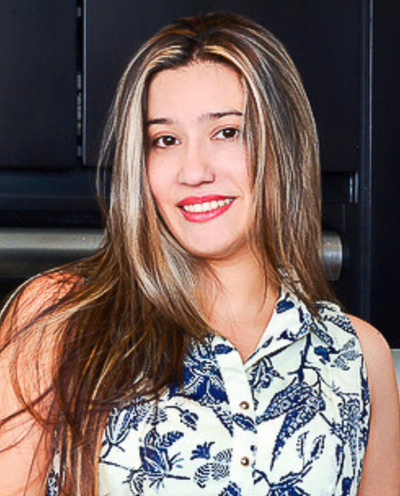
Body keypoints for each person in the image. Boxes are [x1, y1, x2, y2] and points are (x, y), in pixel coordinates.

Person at [0, 12, 399, 496]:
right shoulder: (59, 318)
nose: (193, 171)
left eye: (227, 132)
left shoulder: (358, 356)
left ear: (285, 145)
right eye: (166, 140)